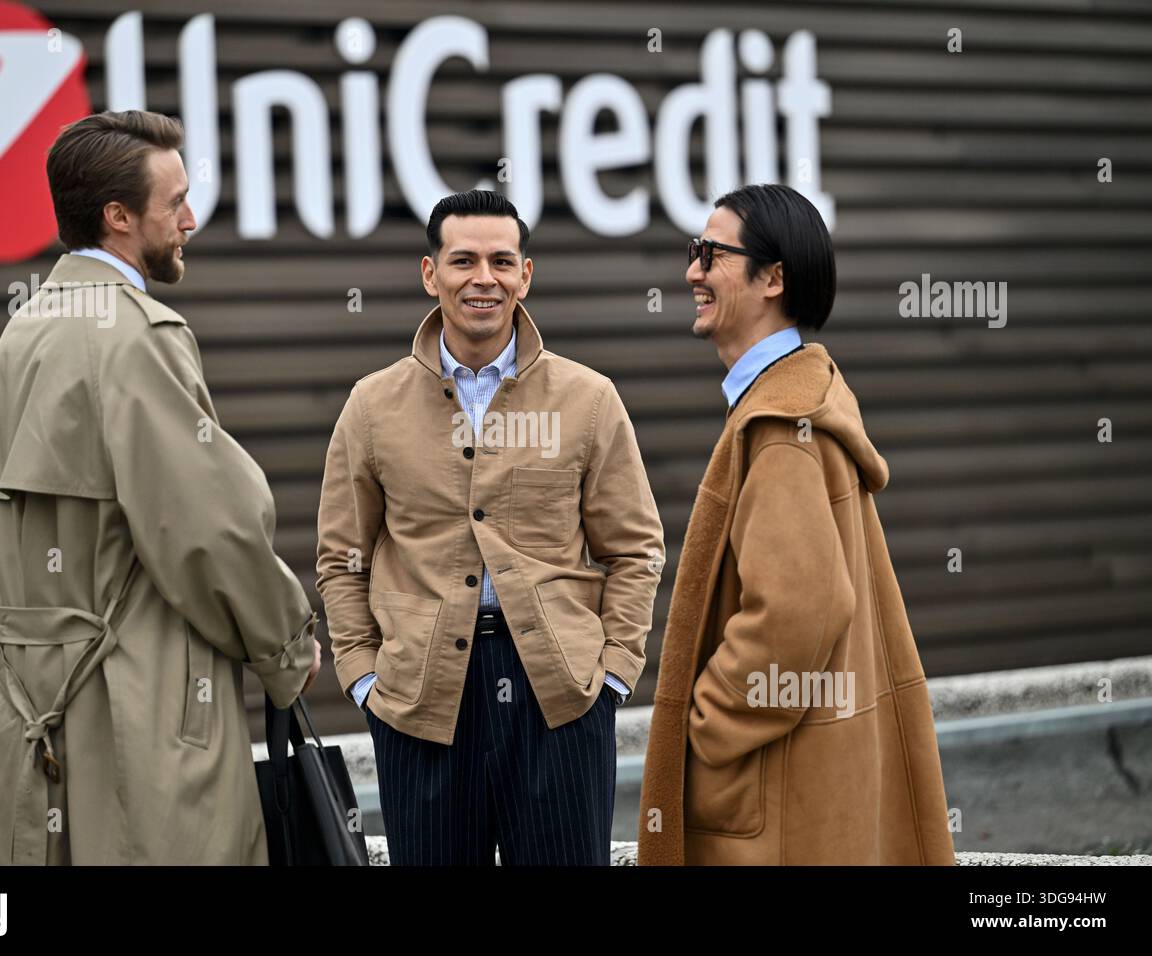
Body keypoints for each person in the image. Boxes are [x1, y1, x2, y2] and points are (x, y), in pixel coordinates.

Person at [0, 110, 320, 864]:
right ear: (118, 218)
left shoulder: (24, 330)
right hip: (142, 714)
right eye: (174, 203)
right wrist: (287, 644)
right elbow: (209, 532)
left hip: (35, 715)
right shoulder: (136, 336)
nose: (190, 220)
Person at [316, 189, 663, 865]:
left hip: (558, 698)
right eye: (463, 260)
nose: (484, 278)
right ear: (430, 273)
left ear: (525, 274)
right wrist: (364, 677)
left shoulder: (588, 399)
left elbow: (635, 549)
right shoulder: (373, 404)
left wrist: (613, 672)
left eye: (502, 261)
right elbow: (341, 557)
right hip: (418, 698)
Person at [638, 184, 955, 865]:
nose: (692, 272)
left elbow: (799, 610)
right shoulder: (801, 404)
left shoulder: (782, 430)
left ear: (773, 277)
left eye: (710, 254)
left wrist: (708, 727)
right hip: (805, 794)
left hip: (774, 810)